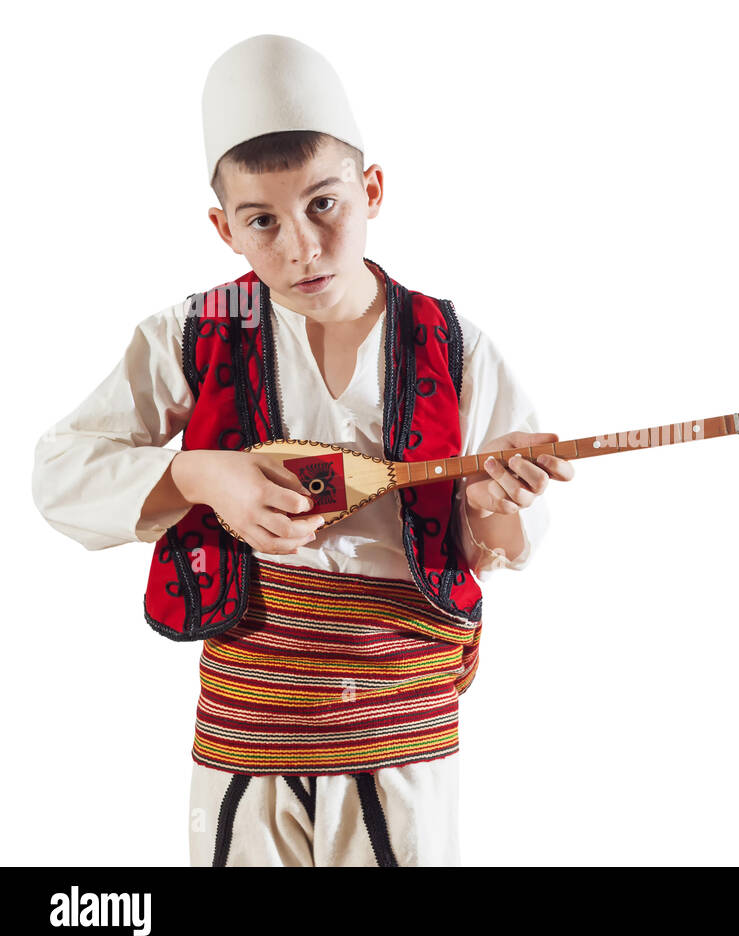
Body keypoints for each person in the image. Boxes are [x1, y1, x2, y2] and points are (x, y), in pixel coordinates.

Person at [30, 34, 573, 867]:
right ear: (224, 229)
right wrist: (200, 472)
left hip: (403, 733)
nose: (301, 246)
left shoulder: (451, 344)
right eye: (262, 221)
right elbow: (61, 471)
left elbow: (503, 544)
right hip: (253, 727)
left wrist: (491, 503)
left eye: (325, 204)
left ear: (373, 189)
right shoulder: (203, 329)